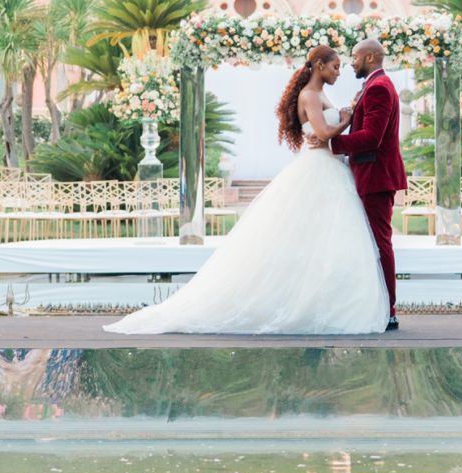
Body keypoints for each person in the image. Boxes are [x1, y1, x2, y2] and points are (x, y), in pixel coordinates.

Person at [104, 44, 389, 335]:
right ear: (318, 65)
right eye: (335, 66)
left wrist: (347, 113)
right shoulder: (310, 95)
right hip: (318, 168)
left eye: (343, 65)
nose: (339, 71)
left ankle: (323, 301)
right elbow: (323, 134)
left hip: (330, 170)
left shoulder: (321, 94)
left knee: (326, 240)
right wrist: (345, 119)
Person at [316, 38, 407, 332]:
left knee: (380, 244)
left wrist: (330, 141)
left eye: (354, 57)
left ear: (369, 57)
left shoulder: (379, 88)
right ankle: (375, 305)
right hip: (368, 175)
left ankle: (389, 310)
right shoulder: (373, 86)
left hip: (376, 177)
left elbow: (372, 138)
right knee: (370, 243)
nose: (351, 62)